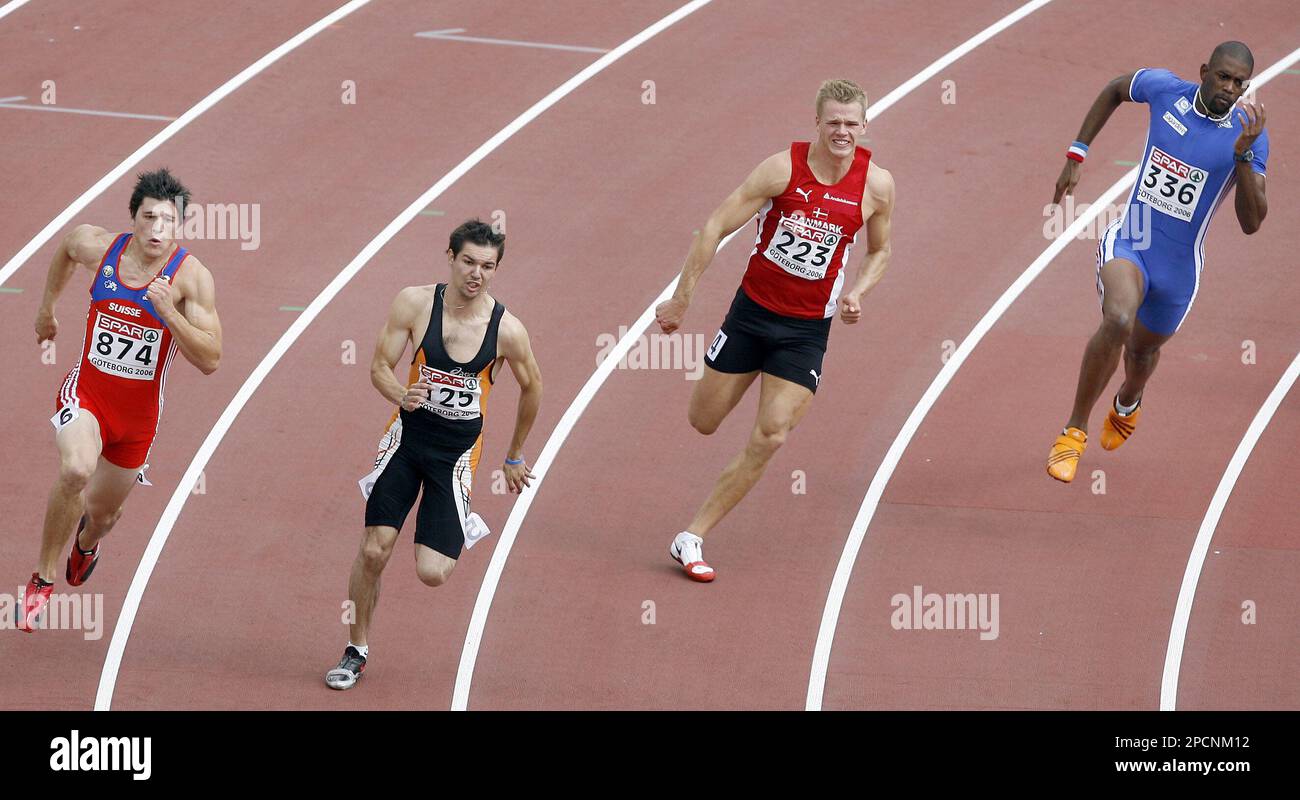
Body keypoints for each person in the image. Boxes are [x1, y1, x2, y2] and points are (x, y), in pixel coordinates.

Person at [654, 79, 896, 582]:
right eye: (834, 122)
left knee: (772, 433)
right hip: (752, 315)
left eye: (852, 123)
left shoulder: (877, 186)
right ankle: (732, 379)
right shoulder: (782, 168)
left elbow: (880, 250)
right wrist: (683, 297)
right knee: (703, 420)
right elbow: (716, 225)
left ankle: (692, 536)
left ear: (865, 125)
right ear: (817, 122)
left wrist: (858, 293)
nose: (842, 131)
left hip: (806, 332)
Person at [325, 219, 542, 689]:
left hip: (456, 455)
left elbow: (533, 388)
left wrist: (515, 454)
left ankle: (449, 517)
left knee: (433, 573)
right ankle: (355, 649)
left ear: (496, 269)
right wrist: (399, 394)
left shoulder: (507, 331)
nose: (476, 274)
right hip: (405, 441)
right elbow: (380, 366)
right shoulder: (416, 303)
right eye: (468, 261)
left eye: (487, 266)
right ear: (450, 256)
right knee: (374, 547)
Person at [1047, 42, 1269, 482]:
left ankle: (1128, 400)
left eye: (1239, 83)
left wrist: (1243, 154)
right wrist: (1077, 153)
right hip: (1132, 241)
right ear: (1204, 71)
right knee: (1118, 318)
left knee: (1143, 351)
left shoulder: (1249, 132)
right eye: (1223, 77)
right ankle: (1073, 431)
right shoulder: (1165, 90)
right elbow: (1115, 89)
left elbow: (1252, 222)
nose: (1229, 88)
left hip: (1179, 269)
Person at [22, 168, 223, 631]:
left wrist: (169, 312)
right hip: (87, 395)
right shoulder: (102, 247)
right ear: (133, 218)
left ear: (179, 226)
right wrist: (46, 309)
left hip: (137, 422)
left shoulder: (192, 278)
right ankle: (43, 579)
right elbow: (68, 248)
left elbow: (211, 359)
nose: (157, 229)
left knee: (104, 513)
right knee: (76, 469)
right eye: (149, 217)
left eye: (167, 221)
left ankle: (87, 544)